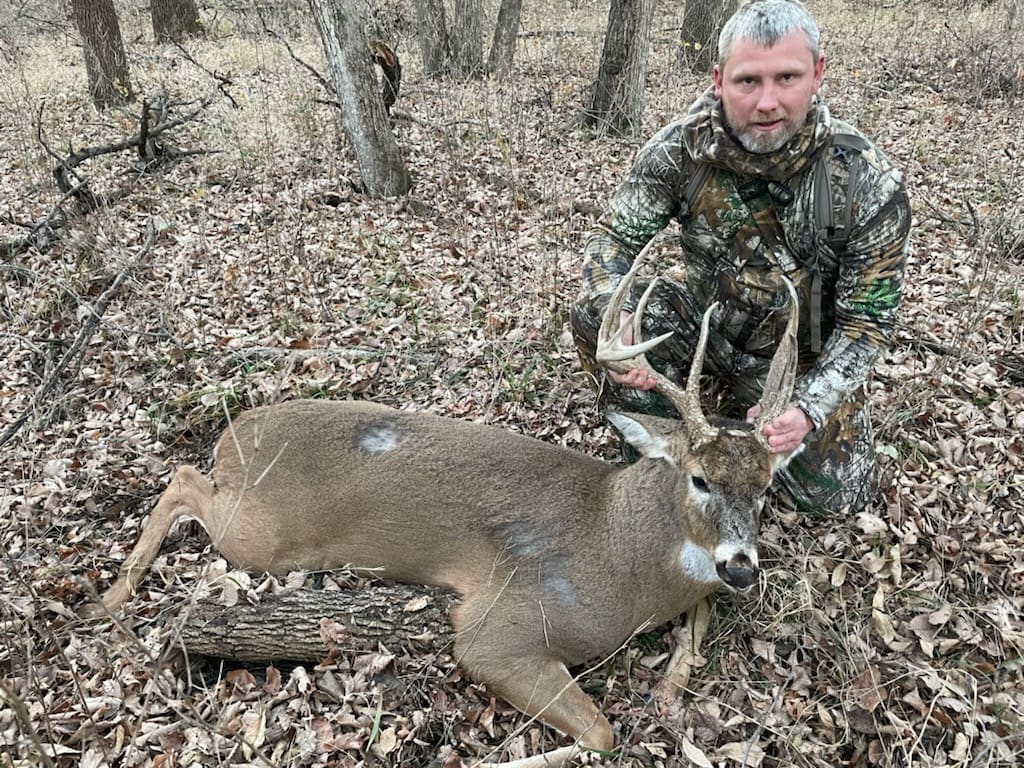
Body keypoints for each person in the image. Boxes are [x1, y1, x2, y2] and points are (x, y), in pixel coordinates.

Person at [571, 0, 911, 515]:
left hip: (794, 363)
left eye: (787, 78)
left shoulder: (866, 181)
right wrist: (618, 320)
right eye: (748, 81)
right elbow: (611, 240)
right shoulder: (679, 151)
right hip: (707, 331)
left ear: (817, 74)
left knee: (835, 499)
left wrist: (808, 407)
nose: (767, 102)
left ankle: (747, 420)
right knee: (597, 317)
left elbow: (868, 323)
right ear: (718, 79)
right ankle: (667, 463)